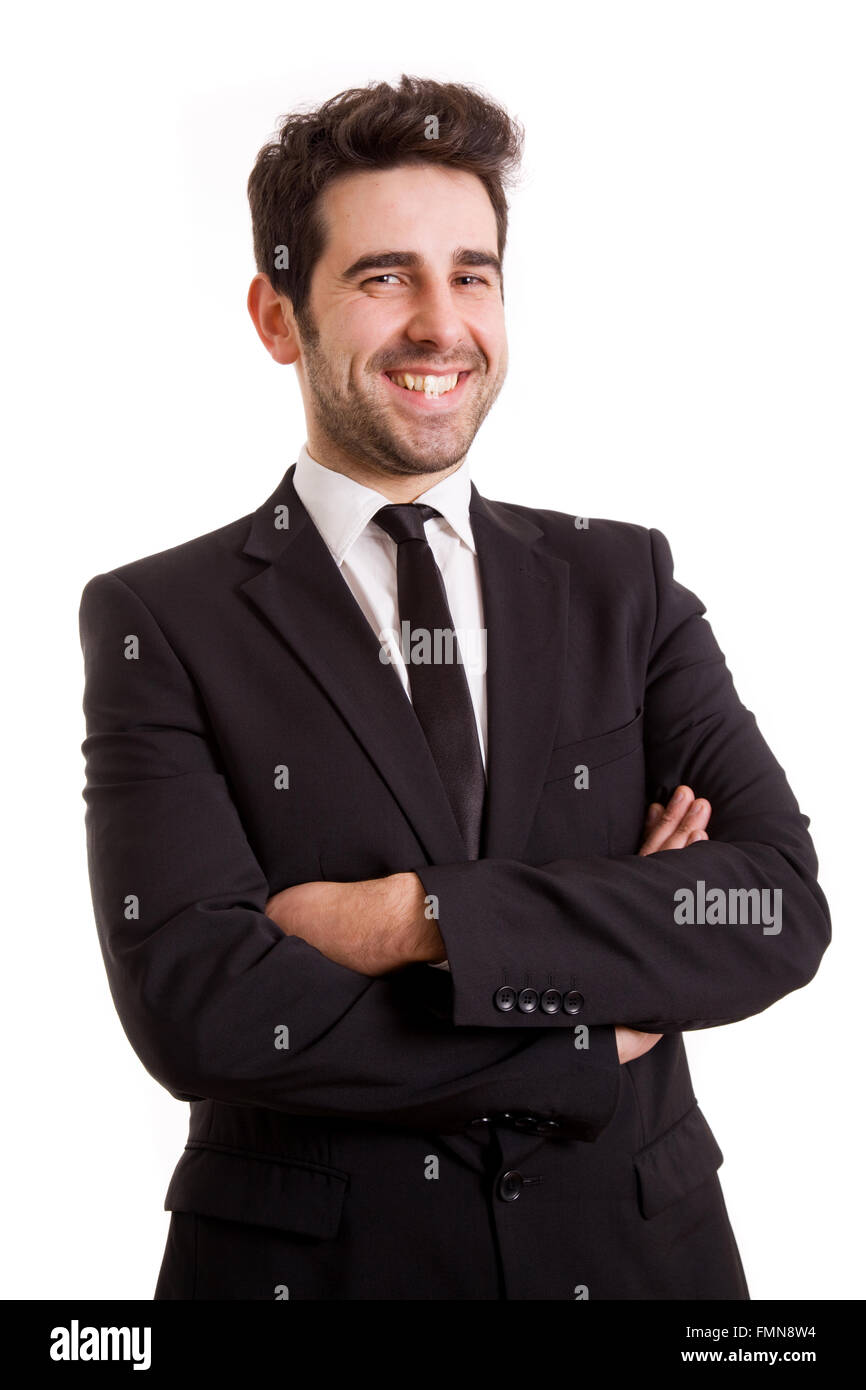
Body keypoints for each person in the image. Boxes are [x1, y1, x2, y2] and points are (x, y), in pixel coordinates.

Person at [79, 74, 830, 1300]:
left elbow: (770, 906)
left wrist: (406, 918)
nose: (441, 325)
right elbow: (198, 1007)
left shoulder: (622, 582)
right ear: (278, 317)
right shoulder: (159, 618)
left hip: (639, 1264)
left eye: (471, 275)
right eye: (384, 278)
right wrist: (585, 1031)